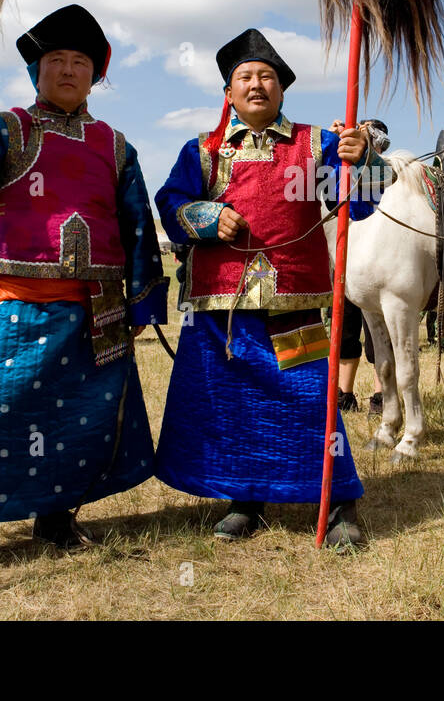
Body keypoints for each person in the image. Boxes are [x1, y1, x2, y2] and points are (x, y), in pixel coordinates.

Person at [0, 4, 168, 574]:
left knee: (82, 420)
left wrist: (146, 298)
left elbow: (137, 225)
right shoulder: (5, 129)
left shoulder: (116, 145)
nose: (69, 70)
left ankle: (57, 518)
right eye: (57, 60)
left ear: (94, 74)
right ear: (37, 71)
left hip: (98, 310)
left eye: (80, 61)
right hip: (21, 302)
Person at [154, 28, 385, 550]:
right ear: (228, 93)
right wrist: (209, 216)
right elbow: (170, 202)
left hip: (295, 306)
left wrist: (362, 157)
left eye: (267, 77)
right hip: (222, 309)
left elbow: (361, 202)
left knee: (311, 405)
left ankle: (339, 501)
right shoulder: (203, 151)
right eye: (245, 78)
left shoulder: (315, 144)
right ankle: (245, 500)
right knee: (232, 407)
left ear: (282, 90)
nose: (257, 85)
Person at [336, 119, 390, 415]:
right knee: (345, 330)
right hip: (347, 256)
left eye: (367, 127)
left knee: (378, 335)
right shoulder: (344, 165)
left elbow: (386, 173)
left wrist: (365, 136)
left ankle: (381, 395)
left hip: (376, 258)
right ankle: (345, 394)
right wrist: (335, 142)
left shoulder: (383, 164)